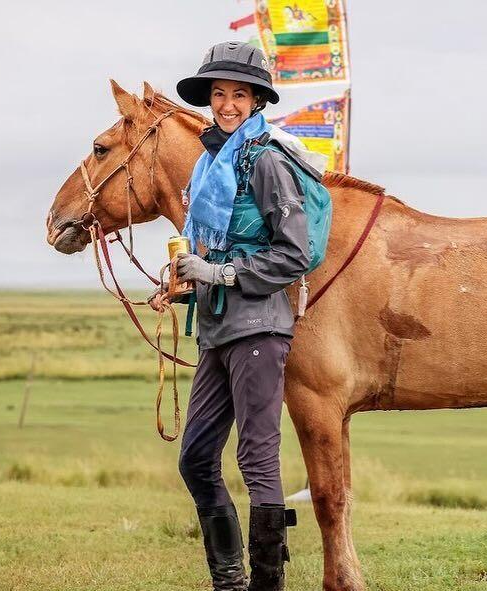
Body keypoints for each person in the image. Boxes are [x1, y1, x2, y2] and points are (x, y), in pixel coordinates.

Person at [164, 41, 319, 591]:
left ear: (256, 102)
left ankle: (267, 584)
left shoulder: (268, 161)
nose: (227, 104)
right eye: (219, 93)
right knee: (196, 456)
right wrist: (188, 284)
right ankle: (229, 580)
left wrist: (220, 274)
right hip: (218, 329)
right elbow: (215, 250)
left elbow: (294, 253)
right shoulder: (210, 165)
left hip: (261, 327)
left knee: (257, 459)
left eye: (239, 94)